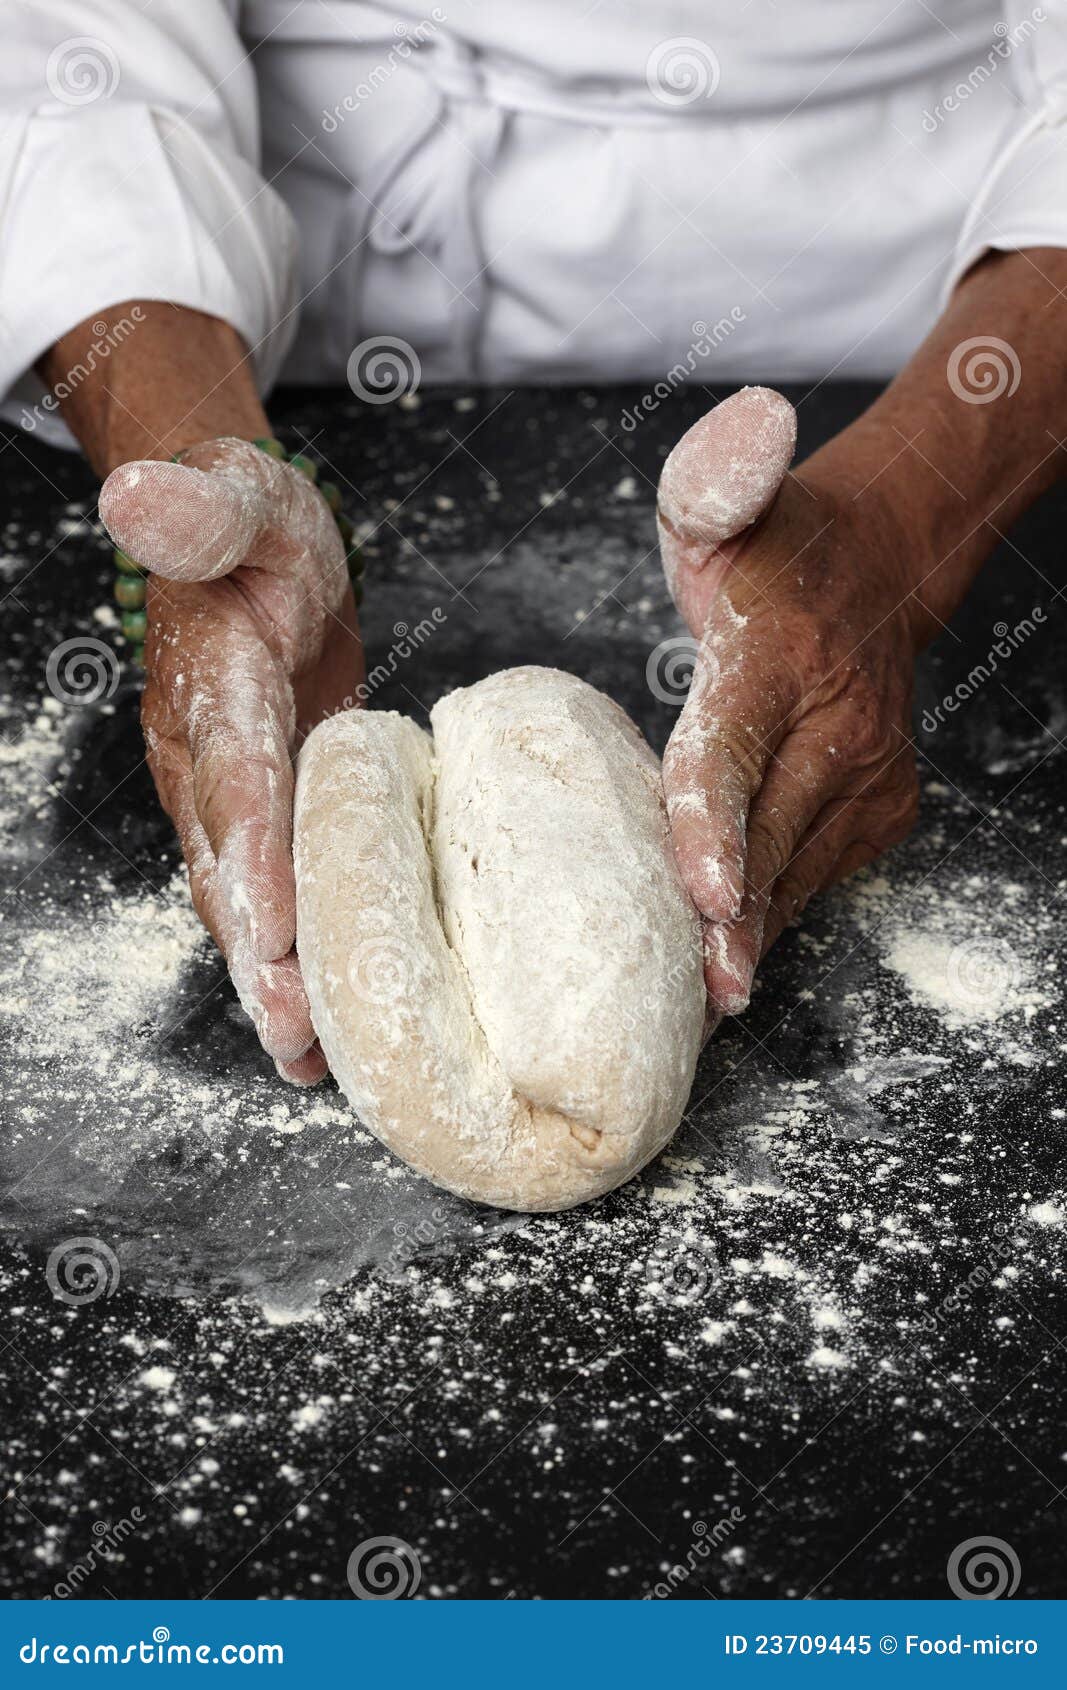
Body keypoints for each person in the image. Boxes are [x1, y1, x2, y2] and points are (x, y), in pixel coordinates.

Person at [3, 3, 1065, 1084]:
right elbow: (78, 61)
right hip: (304, 285)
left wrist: (900, 517)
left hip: (906, 304)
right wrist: (193, 463)